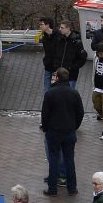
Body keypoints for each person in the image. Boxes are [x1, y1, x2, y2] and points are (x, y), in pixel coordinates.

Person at [41, 66, 84, 196]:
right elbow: (80, 112)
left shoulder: (50, 93)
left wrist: (46, 127)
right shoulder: (74, 93)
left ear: (58, 78)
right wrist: (74, 126)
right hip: (69, 131)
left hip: (54, 132)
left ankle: (52, 189)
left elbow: (45, 114)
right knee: (69, 159)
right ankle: (72, 188)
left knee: (53, 159)